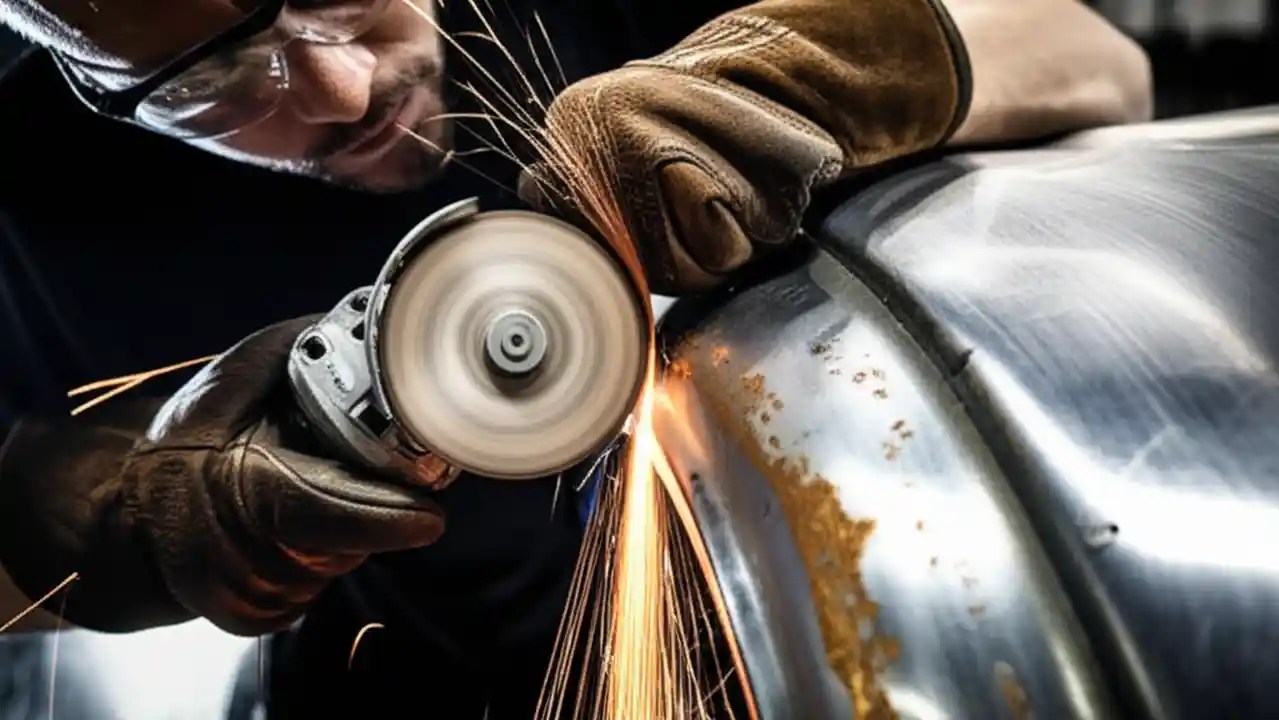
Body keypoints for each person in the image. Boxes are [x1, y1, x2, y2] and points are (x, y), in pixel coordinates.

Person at [0, 0, 1152, 716]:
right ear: (87, 79)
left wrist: (817, 82)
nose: (338, 87)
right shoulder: (33, 203)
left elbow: (1099, 60)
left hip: (912, 629)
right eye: (206, 81)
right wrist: (103, 534)